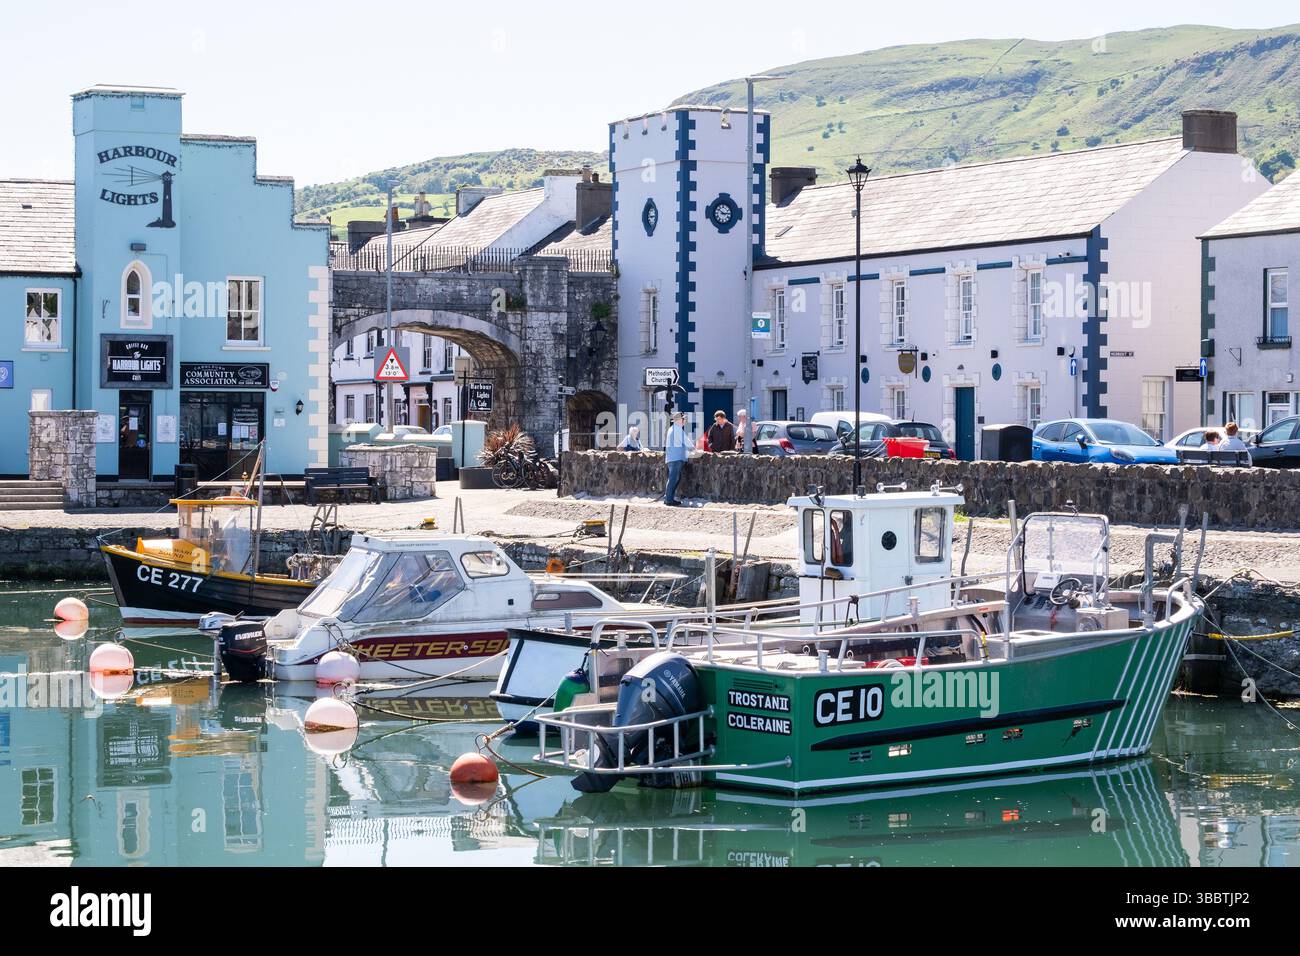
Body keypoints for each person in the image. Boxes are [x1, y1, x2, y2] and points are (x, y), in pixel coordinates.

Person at [664, 411, 689, 507]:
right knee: (673, 479)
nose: (684, 421)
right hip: (675, 458)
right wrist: (695, 449)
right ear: (679, 420)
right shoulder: (677, 429)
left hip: (673, 458)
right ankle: (669, 500)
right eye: (683, 419)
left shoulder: (673, 429)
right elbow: (686, 442)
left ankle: (669, 498)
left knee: (673, 479)